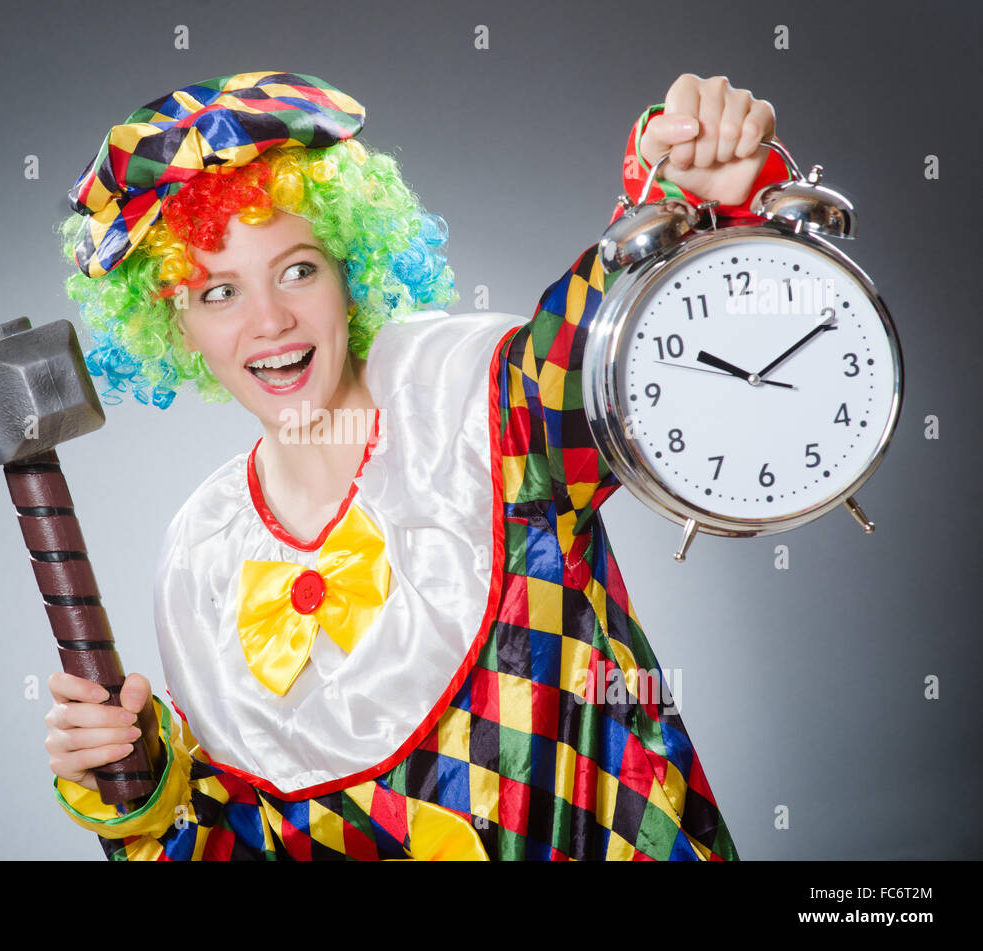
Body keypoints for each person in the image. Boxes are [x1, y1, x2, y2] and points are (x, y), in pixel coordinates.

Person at [45, 70, 787, 860]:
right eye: (219, 291)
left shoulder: (475, 401)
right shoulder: (203, 555)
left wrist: (681, 202)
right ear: (177, 326)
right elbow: (236, 842)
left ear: (349, 272)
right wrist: (142, 782)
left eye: (299, 269)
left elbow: (613, 360)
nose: (270, 321)